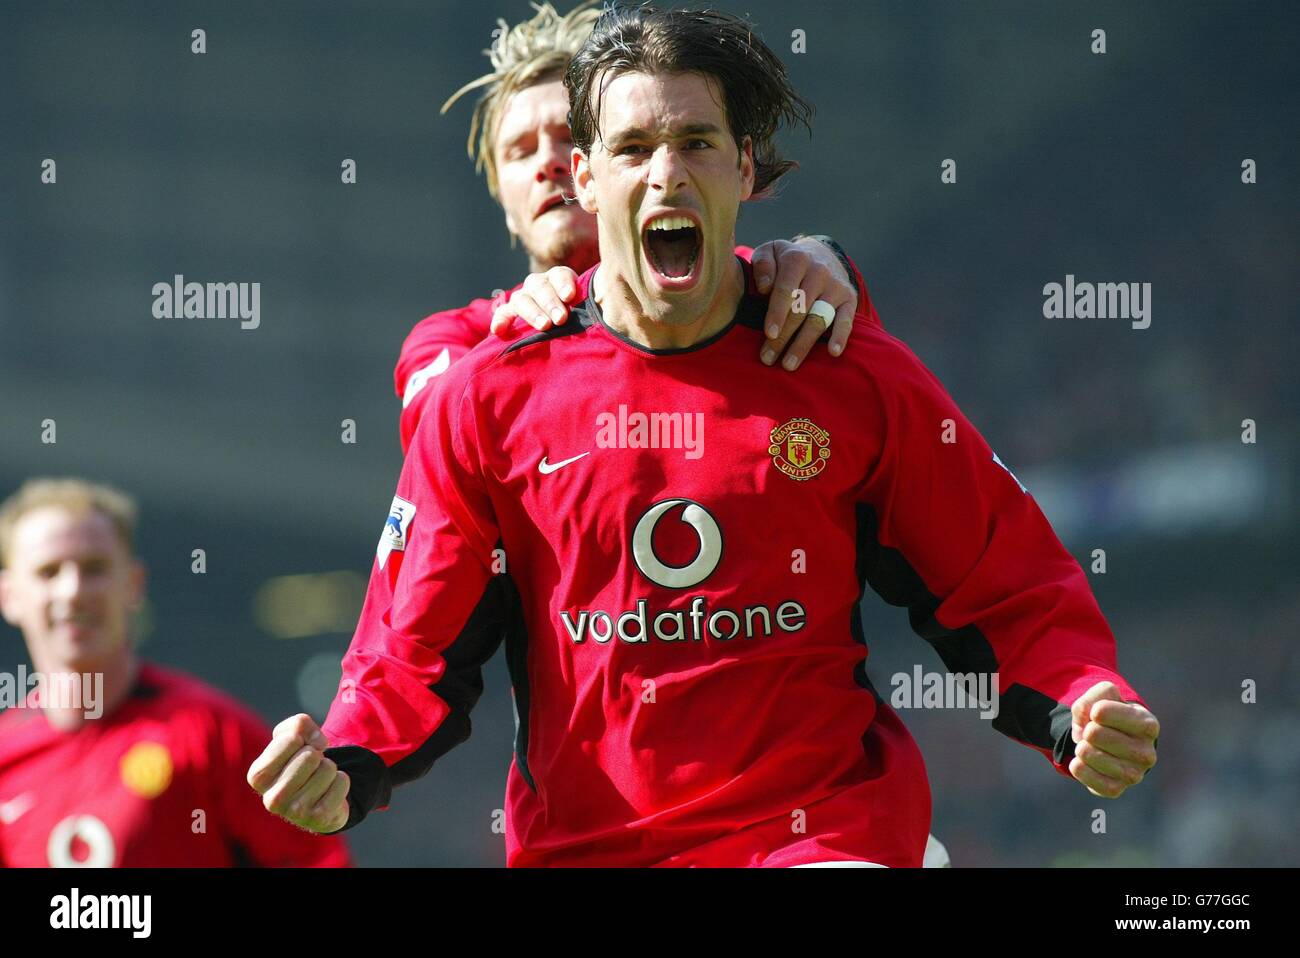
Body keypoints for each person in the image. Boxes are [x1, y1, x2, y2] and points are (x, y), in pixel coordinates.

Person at [252, 5, 1159, 867]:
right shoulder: (477, 385)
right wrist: (345, 756)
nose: (665, 173)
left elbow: (1001, 575)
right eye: (632, 148)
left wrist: (1077, 695)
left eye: (695, 142)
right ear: (590, 178)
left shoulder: (838, 356)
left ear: (745, 168)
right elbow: (407, 647)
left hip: (823, 835)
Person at [395, 0, 876, 453]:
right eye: (520, 151)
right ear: (501, 195)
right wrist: (520, 348)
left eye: (567, 136)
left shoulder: (771, 285)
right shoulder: (462, 339)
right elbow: (441, 451)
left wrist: (831, 263)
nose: (548, 163)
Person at [0, 478, 350, 867]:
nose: (73, 591)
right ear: (9, 596)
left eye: (94, 568)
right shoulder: (5, 757)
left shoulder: (214, 736)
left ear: (134, 583)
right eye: (48, 572)